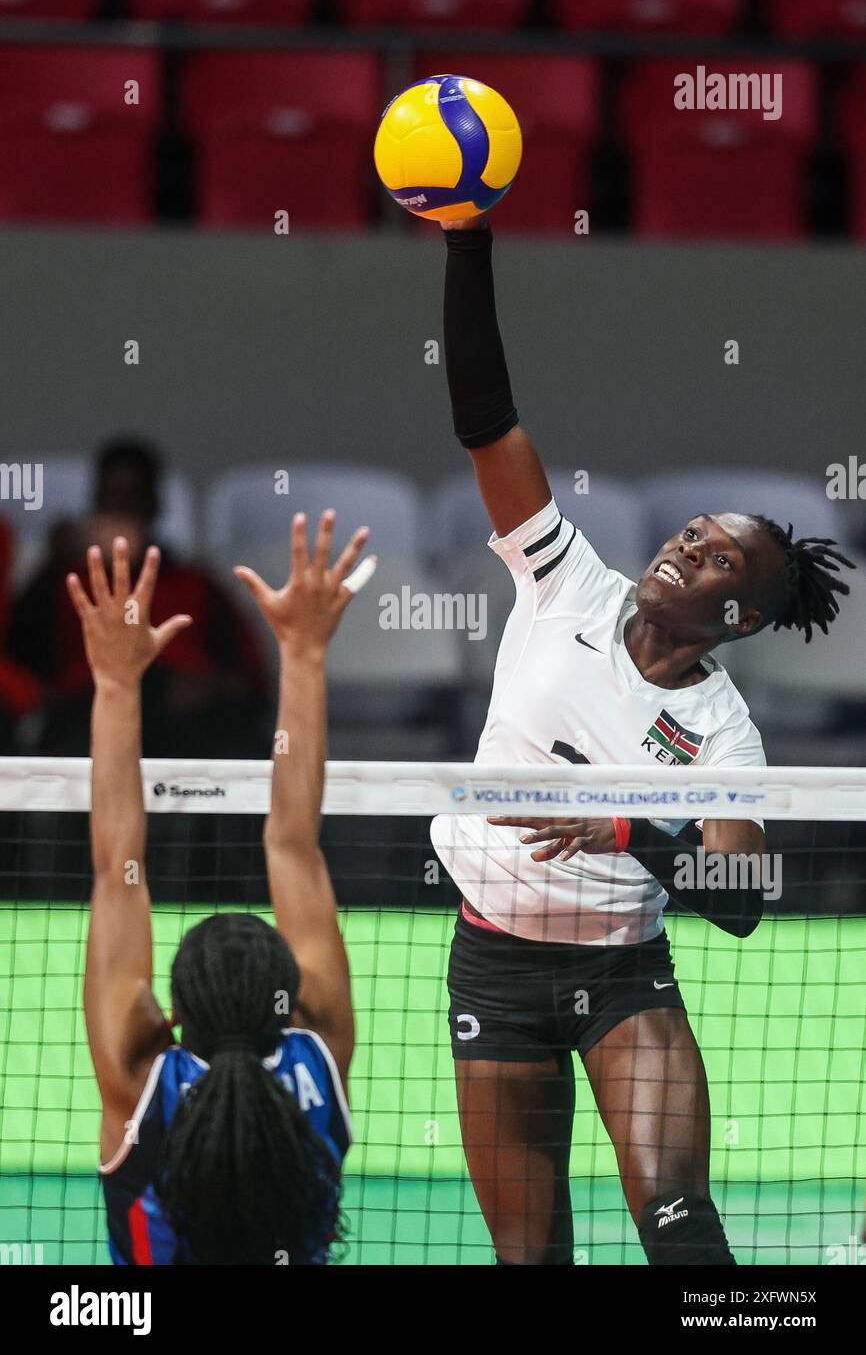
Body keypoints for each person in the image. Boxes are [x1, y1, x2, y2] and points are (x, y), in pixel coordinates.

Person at [428, 218, 854, 1266]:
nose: (687, 544)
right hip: (491, 962)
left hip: (622, 977)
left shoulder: (721, 734)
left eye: (716, 558)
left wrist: (624, 826)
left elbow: (744, 902)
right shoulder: (561, 577)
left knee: (678, 1225)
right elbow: (486, 418)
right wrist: (467, 241)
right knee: (531, 1259)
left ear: (739, 617)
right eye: (692, 532)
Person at [67, 510, 374, 1264]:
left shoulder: (139, 1081)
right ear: (293, 999)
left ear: (169, 1012)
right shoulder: (317, 1061)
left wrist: (114, 683)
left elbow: (118, 868)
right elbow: (294, 847)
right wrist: (303, 654)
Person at [9, 439, 269, 757]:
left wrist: (205, 686)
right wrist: (54, 562)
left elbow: (249, 681)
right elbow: (25, 675)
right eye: (111, 496)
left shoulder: (195, 584)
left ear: (154, 505)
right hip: (86, 718)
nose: (121, 509)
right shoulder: (63, 581)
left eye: (133, 496)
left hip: (188, 724)